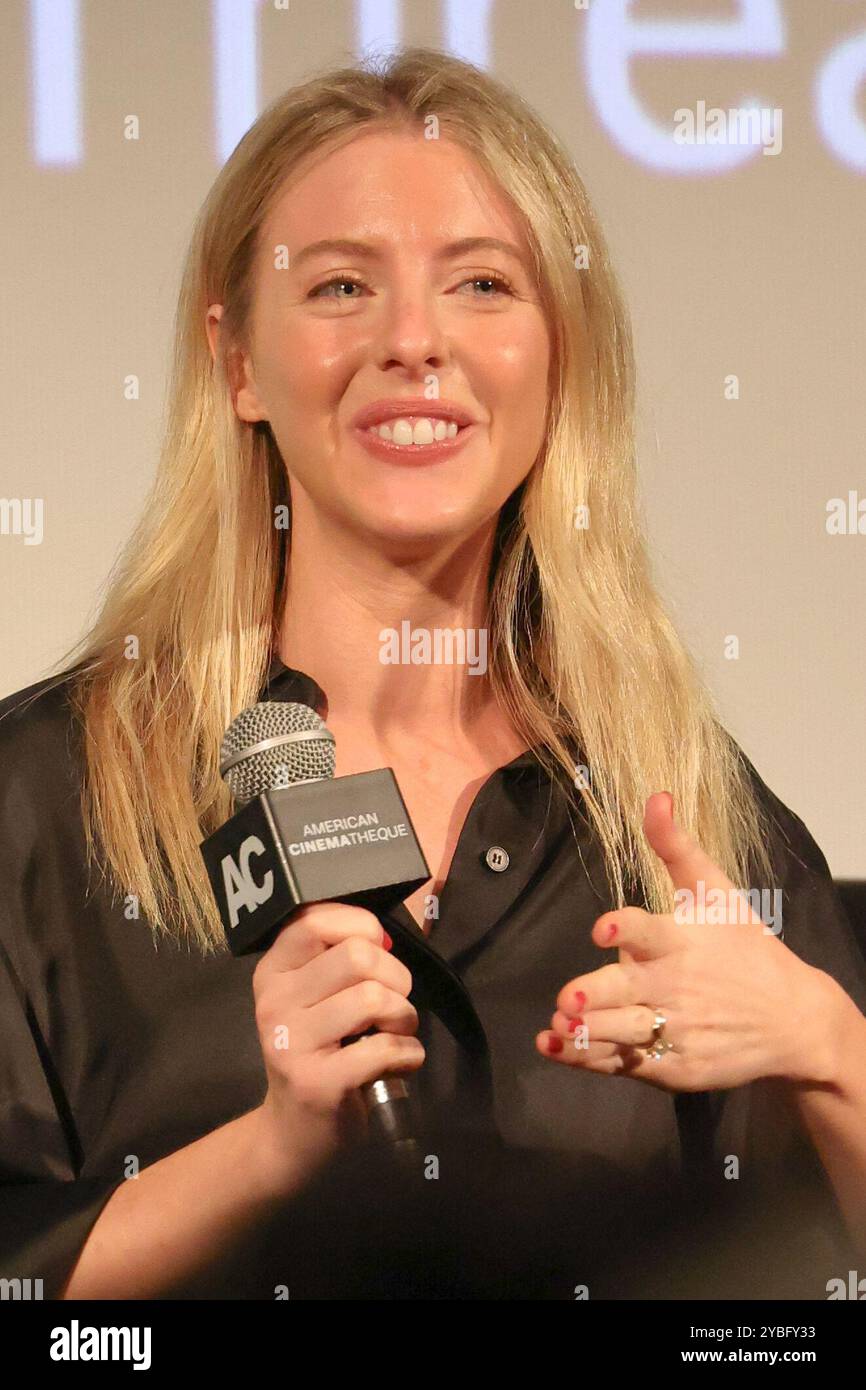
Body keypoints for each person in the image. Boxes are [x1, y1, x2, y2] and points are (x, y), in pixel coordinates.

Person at [1, 47, 865, 1302]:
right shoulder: (42, 802)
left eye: (479, 284)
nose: (413, 341)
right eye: (342, 284)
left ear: (559, 356)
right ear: (237, 359)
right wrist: (270, 1150)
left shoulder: (682, 808)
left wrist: (830, 1052)